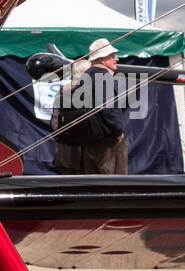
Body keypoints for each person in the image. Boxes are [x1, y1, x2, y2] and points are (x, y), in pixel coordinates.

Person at [52, 38, 130, 174]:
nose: (116, 59)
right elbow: (108, 109)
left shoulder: (85, 77)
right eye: (112, 56)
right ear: (101, 59)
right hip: (106, 146)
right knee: (114, 186)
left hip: (89, 142)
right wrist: (118, 132)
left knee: (93, 185)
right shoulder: (101, 76)